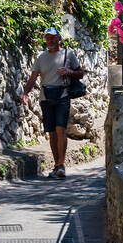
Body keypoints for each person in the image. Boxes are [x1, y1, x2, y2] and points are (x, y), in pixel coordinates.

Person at [22, 26, 86, 180]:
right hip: (46, 97)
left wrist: (69, 72)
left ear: (59, 39)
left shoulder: (68, 54)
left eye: (52, 37)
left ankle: (62, 165)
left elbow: (81, 73)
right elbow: (33, 77)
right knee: (51, 133)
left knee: (60, 129)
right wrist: (25, 93)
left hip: (62, 96)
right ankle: (57, 165)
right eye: (47, 38)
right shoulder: (41, 57)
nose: (50, 40)